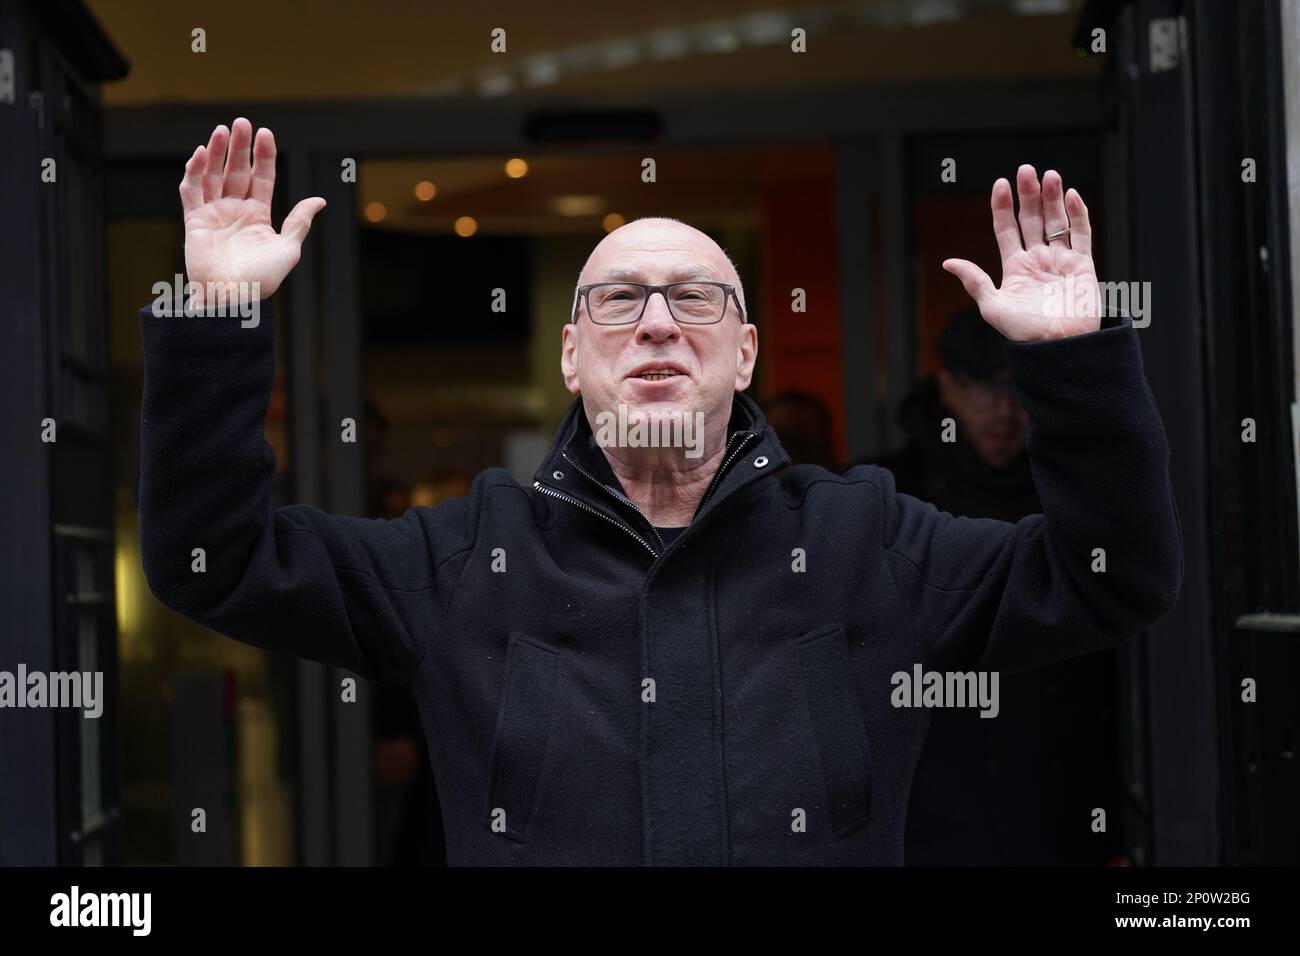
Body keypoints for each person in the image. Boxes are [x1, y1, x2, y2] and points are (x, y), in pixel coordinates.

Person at [138, 118, 1181, 865]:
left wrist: (1070, 360)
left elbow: (1111, 580)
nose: (655, 322)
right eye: (616, 301)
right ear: (568, 356)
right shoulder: (456, 561)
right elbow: (211, 561)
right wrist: (219, 314)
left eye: (693, 298)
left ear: (744, 353)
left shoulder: (870, 540)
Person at [875, 307, 1123, 865]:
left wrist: (1113, 826)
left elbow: (1111, 675)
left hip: (1058, 812)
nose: (1004, 411)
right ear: (947, 388)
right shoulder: (879, 502)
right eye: (983, 388)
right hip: (921, 819)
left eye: (1018, 390)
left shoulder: (1075, 498)